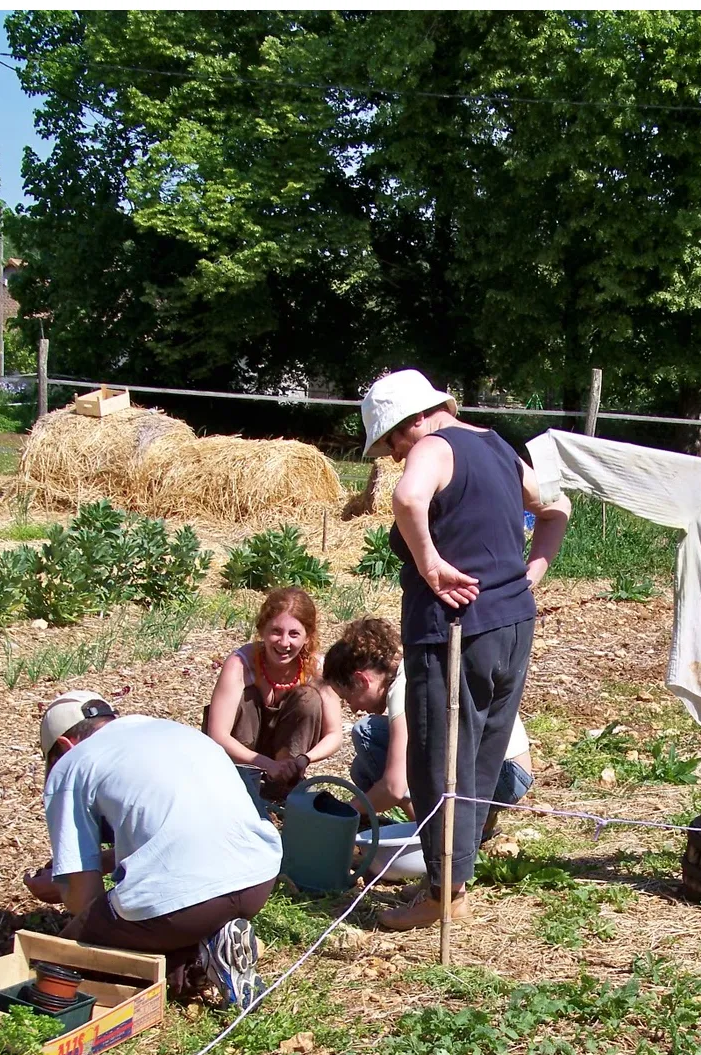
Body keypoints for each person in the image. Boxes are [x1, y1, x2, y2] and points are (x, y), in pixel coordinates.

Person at [358, 369, 569, 930]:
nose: (398, 453)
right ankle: (455, 884)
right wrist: (535, 571)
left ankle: (441, 895)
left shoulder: (433, 444)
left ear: (412, 421)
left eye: (392, 441)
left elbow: (408, 497)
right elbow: (557, 507)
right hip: (512, 623)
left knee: (440, 758)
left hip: (456, 628)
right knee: (478, 754)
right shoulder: (497, 445)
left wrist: (429, 565)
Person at [37, 690, 283, 1007]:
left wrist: (60, 886)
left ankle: (191, 956)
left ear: (63, 746)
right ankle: (210, 947)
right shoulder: (169, 730)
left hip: (186, 906)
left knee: (63, 960)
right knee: (161, 909)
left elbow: (83, 895)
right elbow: (172, 835)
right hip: (257, 880)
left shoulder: (72, 763)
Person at [322, 617, 534, 836]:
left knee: (367, 734)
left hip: (501, 775)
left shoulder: (404, 688)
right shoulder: (416, 666)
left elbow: (394, 786)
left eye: (349, 698)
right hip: (512, 771)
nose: (354, 709)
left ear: (363, 680)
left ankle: (436, 835)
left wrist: (346, 813)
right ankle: (465, 825)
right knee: (362, 767)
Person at [205, 587, 345, 802]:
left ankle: (283, 788)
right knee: (248, 695)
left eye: (294, 634)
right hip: (242, 756)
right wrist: (266, 764)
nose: (284, 642)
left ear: (308, 637)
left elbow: (334, 734)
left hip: (289, 758)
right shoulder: (241, 663)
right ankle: (241, 783)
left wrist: (303, 759)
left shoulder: (316, 668)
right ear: (262, 630)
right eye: (276, 631)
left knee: (309, 698)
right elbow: (218, 733)